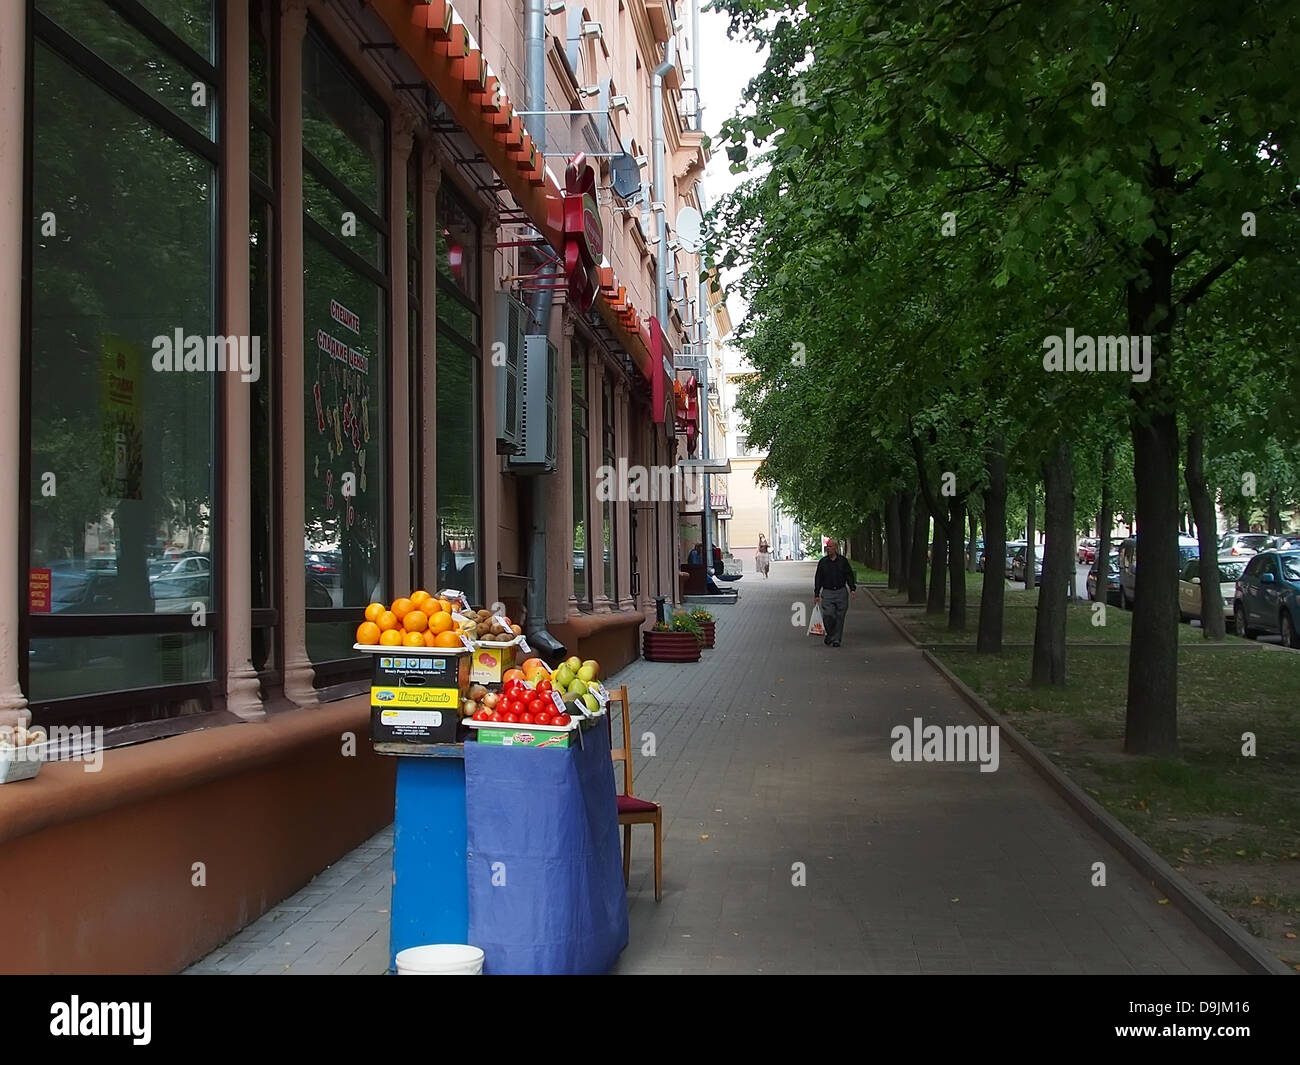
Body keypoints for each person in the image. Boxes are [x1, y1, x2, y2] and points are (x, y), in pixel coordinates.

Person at [813, 538, 856, 647]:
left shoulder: (843, 561)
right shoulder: (823, 562)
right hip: (827, 592)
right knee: (828, 615)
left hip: (841, 592)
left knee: (840, 617)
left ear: (835, 548)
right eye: (827, 547)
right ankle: (831, 634)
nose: (828, 549)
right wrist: (817, 593)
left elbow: (849, 575)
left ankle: (836, 639)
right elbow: (818, 578)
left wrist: (852, 588)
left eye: (831, 547)